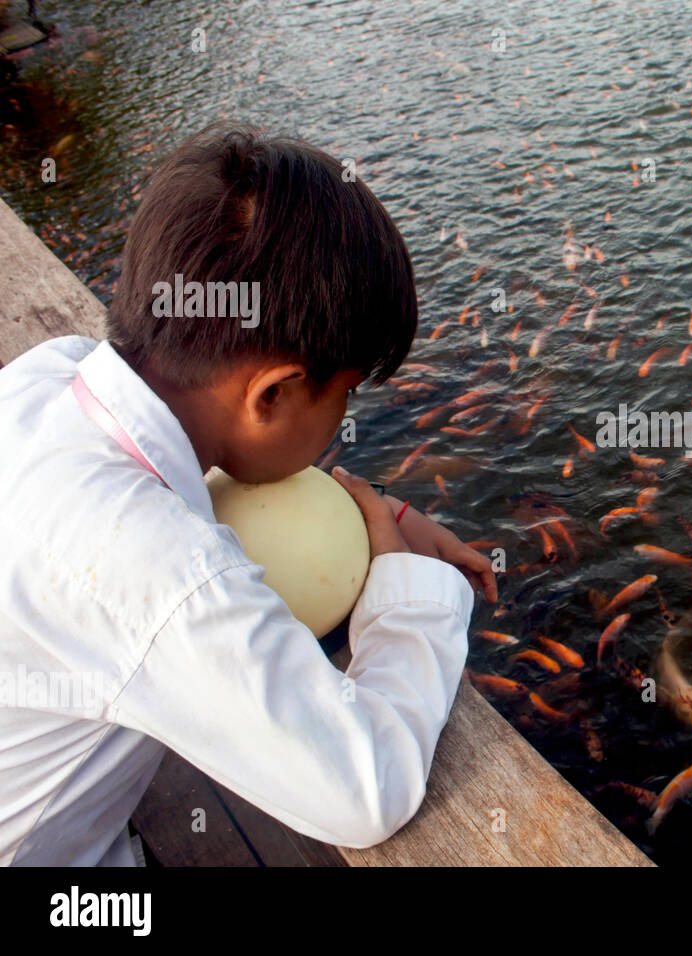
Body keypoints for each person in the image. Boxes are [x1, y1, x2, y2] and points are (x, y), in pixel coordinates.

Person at [0, 122, 496, 866]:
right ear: (274, 393)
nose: (342, 423)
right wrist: (407, 596)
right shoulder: (155, 573)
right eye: (347, 395)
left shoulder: (51, 378)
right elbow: (366, 789)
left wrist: (377, 520)